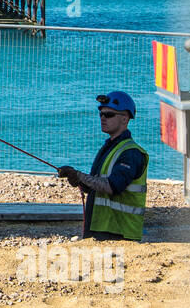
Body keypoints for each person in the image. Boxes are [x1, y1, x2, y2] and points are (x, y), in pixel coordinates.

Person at [56, 90, 148, 241]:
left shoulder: (131, 153)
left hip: (120, 233)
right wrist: (78, 179)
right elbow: (95, 185)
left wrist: (80, 175)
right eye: (101, 114)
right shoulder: (109, 148)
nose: (103, 118)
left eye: (109, 115)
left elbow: (112, 186)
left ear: (125, 119)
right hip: (102, 228)